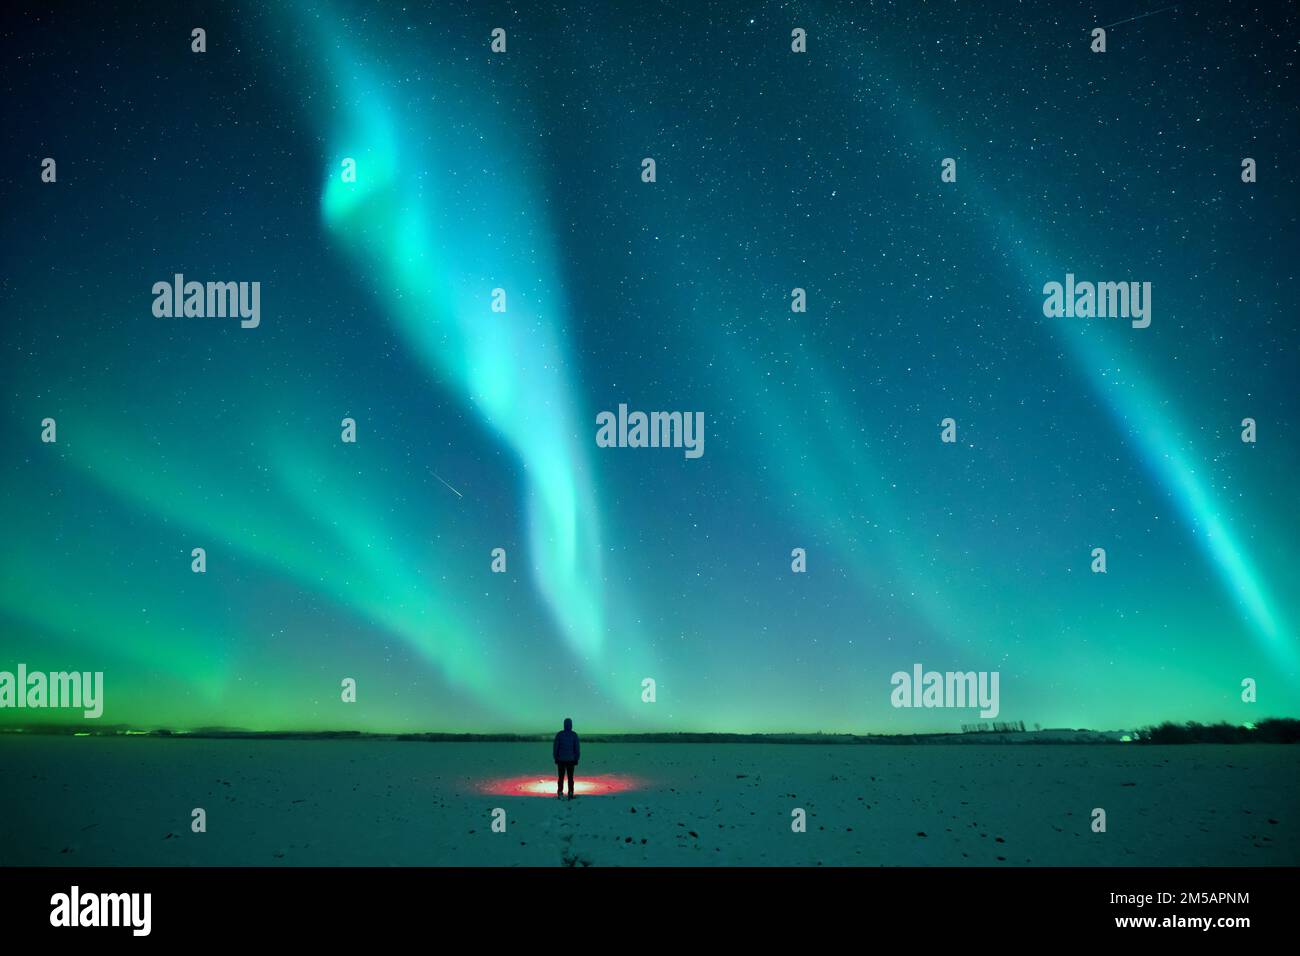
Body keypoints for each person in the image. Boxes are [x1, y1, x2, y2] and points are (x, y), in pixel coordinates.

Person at [553, 717, 580, 799]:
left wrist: (556, 757)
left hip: (561, 760)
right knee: (570, 778)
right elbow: (577, 748)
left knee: (561, 777)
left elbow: (555, 748)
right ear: (571, 725)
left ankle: (560, 792)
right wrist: (576, 758)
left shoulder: (559, 734)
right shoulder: (574, 735)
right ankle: (570, 792)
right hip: (571, 760)